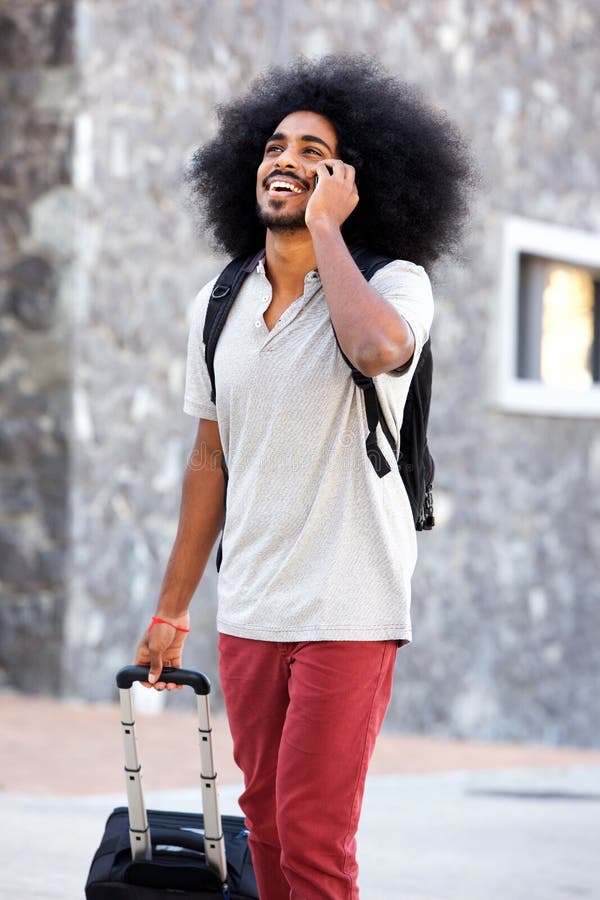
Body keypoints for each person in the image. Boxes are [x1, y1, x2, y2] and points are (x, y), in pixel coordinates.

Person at [135, 55, 474, 899]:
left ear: (352, 178)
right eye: (274, 146)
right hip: (252, 604)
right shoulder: (218, 302)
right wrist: (172, 610)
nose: (284, 160)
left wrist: (328, 231)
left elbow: (377, 349)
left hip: (349, 605)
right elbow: (209, 460)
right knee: (268, 827)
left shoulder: (394, 285)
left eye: (312, 152)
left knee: (316, 837)